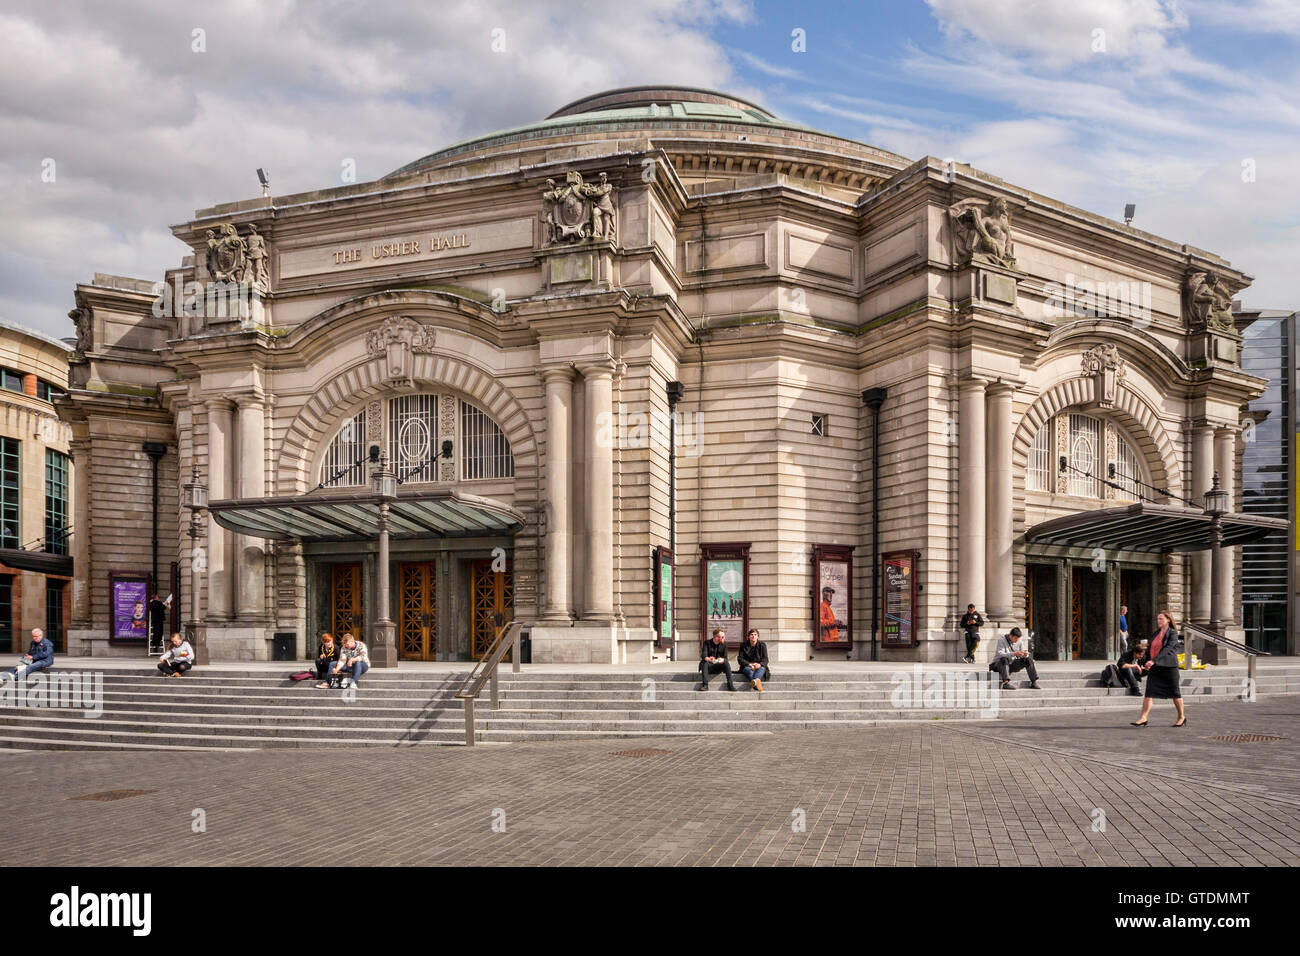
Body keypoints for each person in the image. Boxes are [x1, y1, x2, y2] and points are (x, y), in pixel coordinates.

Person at [1131, 611, 1186, 727]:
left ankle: (1181, 716)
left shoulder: (1173, 633)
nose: (1158, 621)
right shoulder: (1156, 633)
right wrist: (1145, 661)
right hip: (1155, 667)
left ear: (1168, 620)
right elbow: (1151, 649)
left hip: (1169, 667)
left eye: (1161, 619)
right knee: (1149, 693)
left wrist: (1153, 660)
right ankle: (1143, 718)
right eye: (1157, 619)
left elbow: (1168, 649)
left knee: (1175, 693)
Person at [737, 627, 770, 691]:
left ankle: (754, 682)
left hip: (759, 666)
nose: (753, 636)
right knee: (749, 671)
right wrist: (749, 664)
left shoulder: (762, 645)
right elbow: (740, 659)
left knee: (762, 668)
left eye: (755, 635)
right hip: (747, 666)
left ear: (758, 636)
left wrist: (759, 664)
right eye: (751, 634)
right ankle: (757, 683)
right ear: (749, 636)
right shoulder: (743, 645)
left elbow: (765, 659)